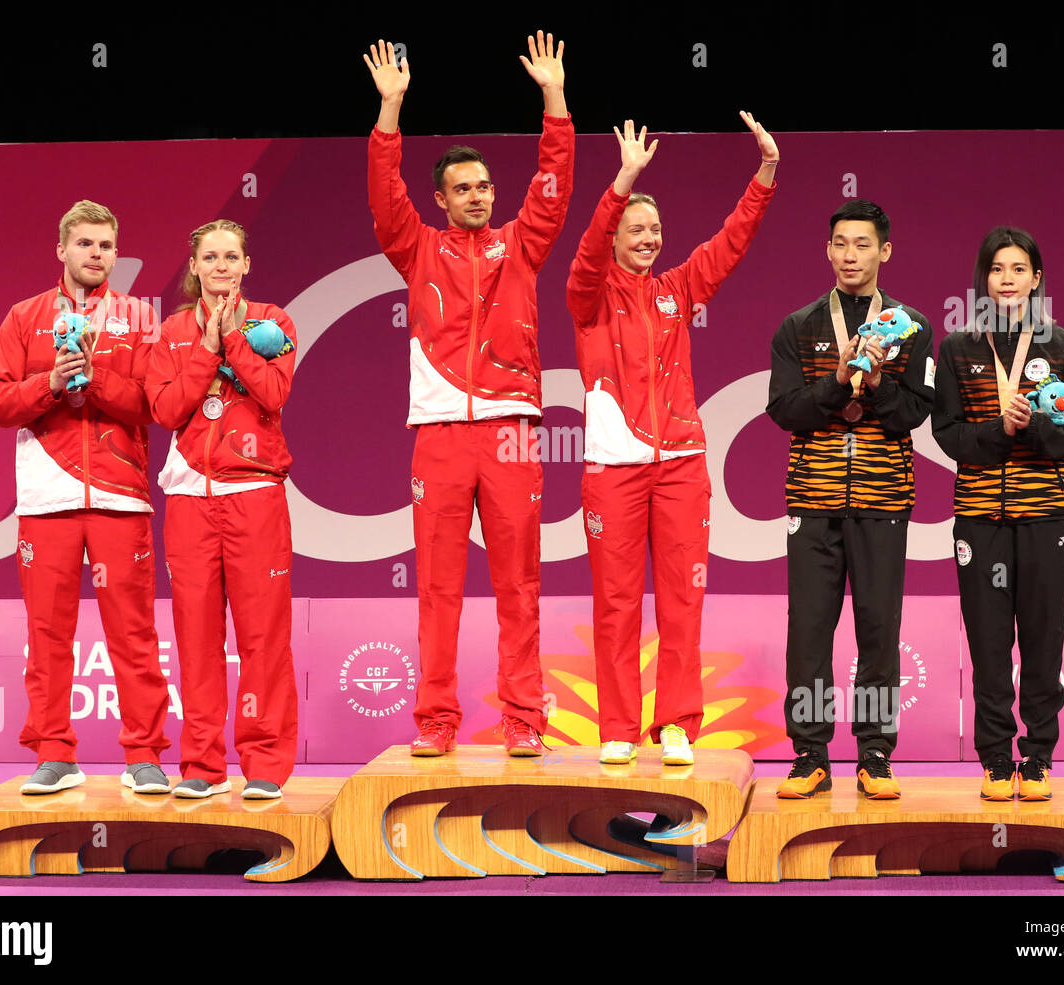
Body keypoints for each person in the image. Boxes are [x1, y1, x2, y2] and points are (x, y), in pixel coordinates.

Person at [363, 33, 574, 757]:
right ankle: (436, 723)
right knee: (438, 587)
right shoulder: (416, 247)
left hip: (513, 426)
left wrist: (554, 97)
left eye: (485, 186)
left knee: (519, 585)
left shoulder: (523, 244)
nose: (478, 196)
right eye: (463, 188)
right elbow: (383, 194)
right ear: (442, 198)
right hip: (441, 432)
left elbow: (555, 183)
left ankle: (522, 721)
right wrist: (391, 109)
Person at [567, 116, 778, 766]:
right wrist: (623, 182)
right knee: (617, 603)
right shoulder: (590, 296)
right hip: (615, 471)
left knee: (683, 600)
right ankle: (618, 728)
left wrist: (765, 173)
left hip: (682, 467)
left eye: (655, 229)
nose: (649, 238)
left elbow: (728, 244)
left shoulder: (676, 291)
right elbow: (586, 252)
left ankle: (678, 723)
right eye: (636, 228)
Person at [0, 200, 170, 795]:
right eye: (85, 244)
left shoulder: (140, 318)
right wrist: (52, 383)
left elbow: (155, 406)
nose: (96, 254)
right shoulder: (23, 317)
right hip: (46, 499)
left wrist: (99, 379)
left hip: (121, 497)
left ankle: (144, 755)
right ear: (61, 249)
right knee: (47, 634)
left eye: (106, 245)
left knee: (134, 635)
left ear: (116, 253)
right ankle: (54, 754)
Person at [767, 200, 934, 799]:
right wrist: (838, 381)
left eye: (863, 245)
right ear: (827, 250)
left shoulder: (912, 327)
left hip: (884, 498)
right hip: (812, 500)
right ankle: (810, 754)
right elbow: (784, 410)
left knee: (878, 628)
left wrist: (878, 380)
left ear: (885, 252)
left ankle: (875, 753)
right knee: (809, 629)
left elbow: (916, 411)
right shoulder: (799, 326)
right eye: (840, 243)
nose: (850, 256)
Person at [933, 227, 1064, 801]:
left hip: (1047, 516)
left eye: (1018, 269)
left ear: (1036, 279)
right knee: (988, 642)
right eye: (997, 269)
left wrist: (1039, 427)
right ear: (984, 278)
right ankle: (997, 759)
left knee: (1044, 641)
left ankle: (1039, 757)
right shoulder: (957, 347)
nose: (1007, 279)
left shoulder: (1062, 344)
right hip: (979, 518)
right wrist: (999, 430)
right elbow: (947, 435)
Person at [145, 219, 299, 799]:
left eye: (231, 256)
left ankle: (264, 764)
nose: (221, 267)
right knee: (196, 637)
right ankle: (202, 766)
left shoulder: (273, 323)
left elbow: (273, 393)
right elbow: (166, 409)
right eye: (210, 257)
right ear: (195, 267)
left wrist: (234, 338)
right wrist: (208, 346)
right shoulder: (173, 331)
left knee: (263, 636)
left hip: (255, 494)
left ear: (246, 263)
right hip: (189, 499)